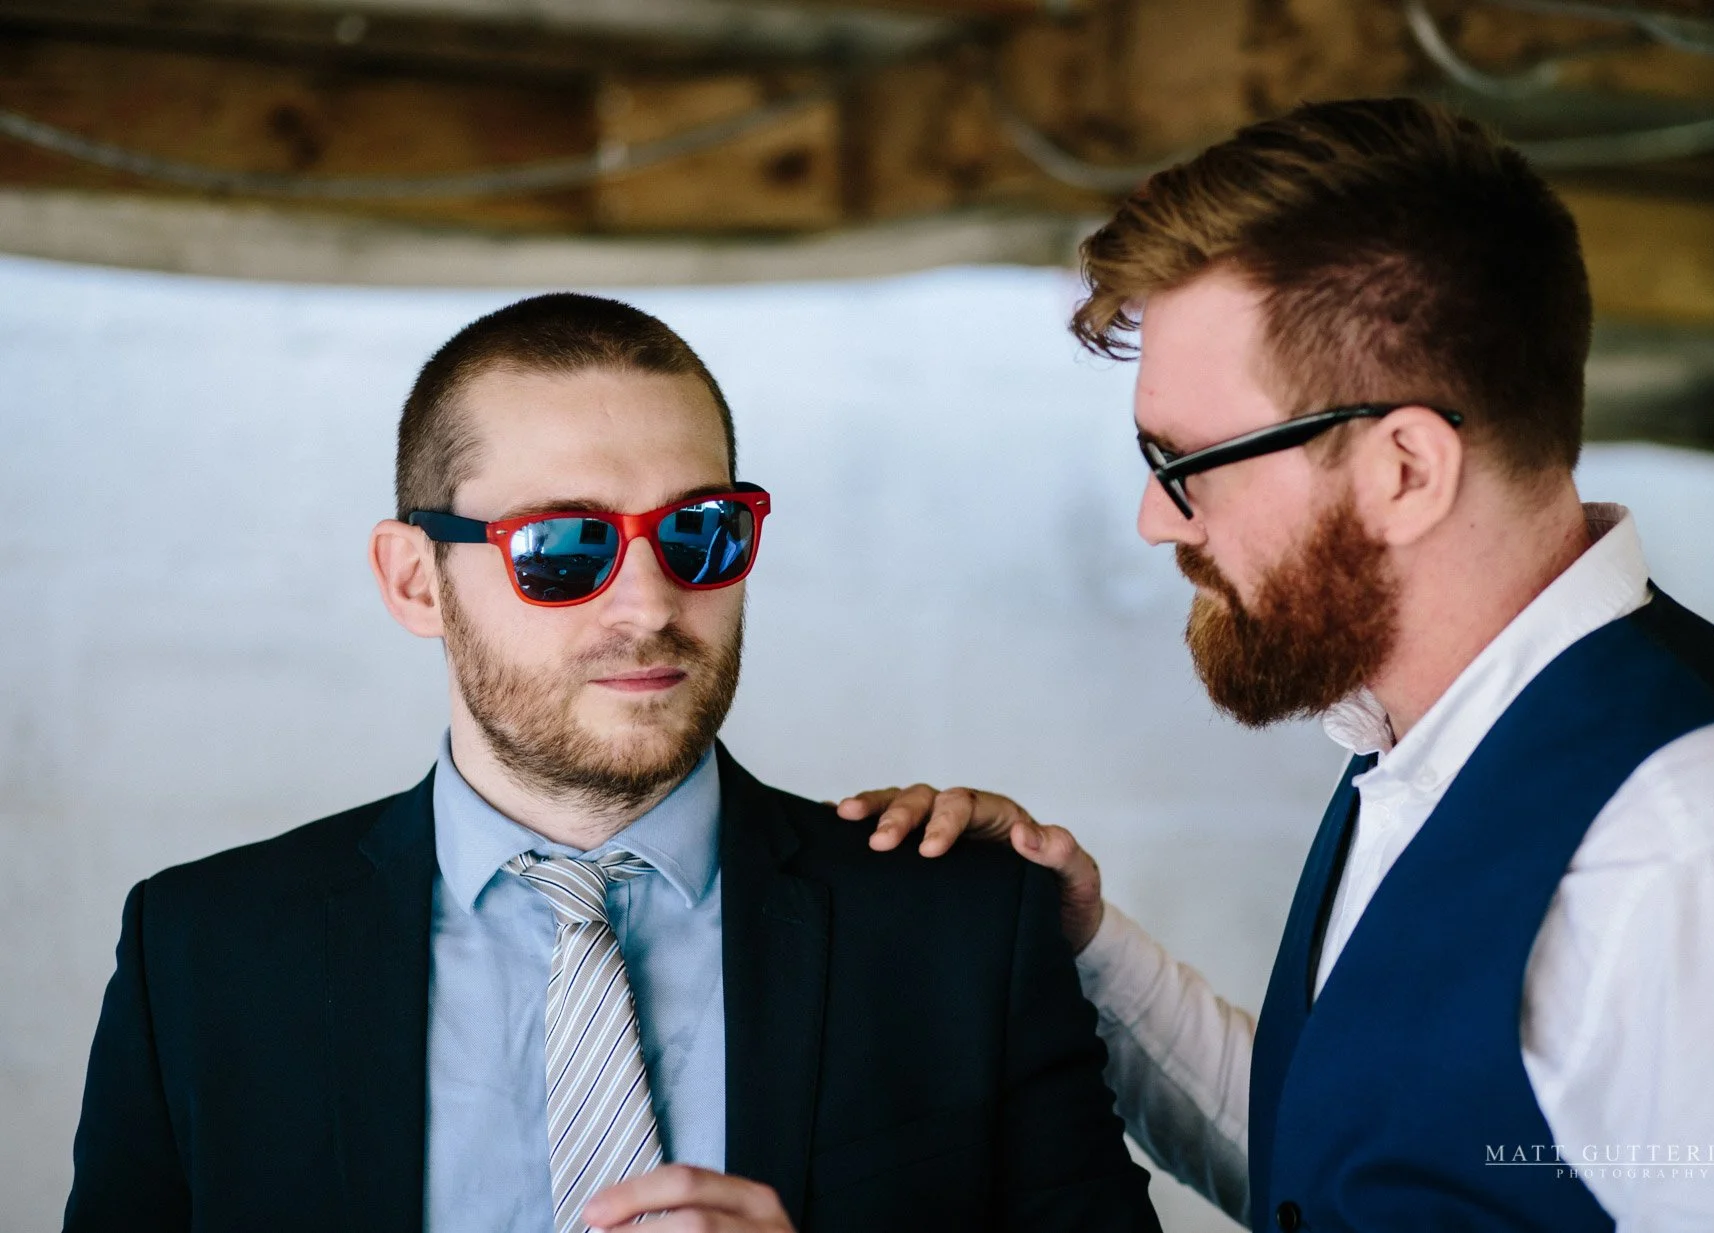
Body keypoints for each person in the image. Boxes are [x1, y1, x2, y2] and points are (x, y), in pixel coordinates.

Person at [839, 97, 1714, 1232]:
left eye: (1185, 462)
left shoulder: (1711, 844)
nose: (1153, 520)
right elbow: (1351, 1172)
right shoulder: (1422, 743)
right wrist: (1072, 941)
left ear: (1404, 469)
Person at [64, 294, 1159, 1233]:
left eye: (701, 534)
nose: (648, 606)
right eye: (562, 548)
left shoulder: (958, 925)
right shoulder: (203, 955)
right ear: (412, 583)